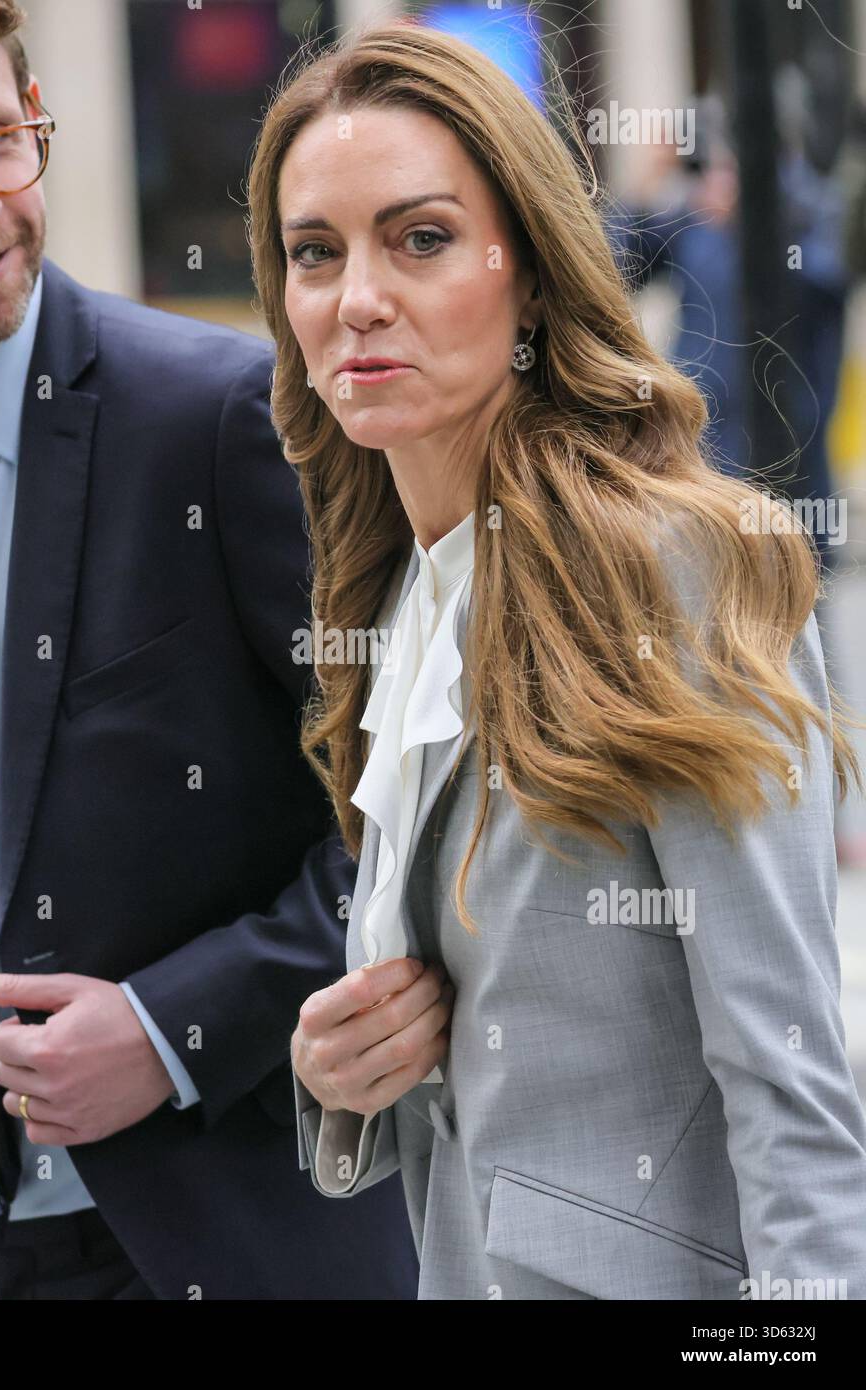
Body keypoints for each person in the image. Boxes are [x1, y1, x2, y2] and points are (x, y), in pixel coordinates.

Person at [245, 23, 866, 1299]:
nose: (355, 295)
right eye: (314, 252)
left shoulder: (673, 566)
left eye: (417, 239)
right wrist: (343, 1076)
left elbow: (789, 1078)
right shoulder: (399, 591)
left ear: (525, 272)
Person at [0, 0, 419, 1300]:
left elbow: (409, 822)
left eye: (0, 140)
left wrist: (173, 1027)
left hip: (239, 1233)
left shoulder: (223, 418)